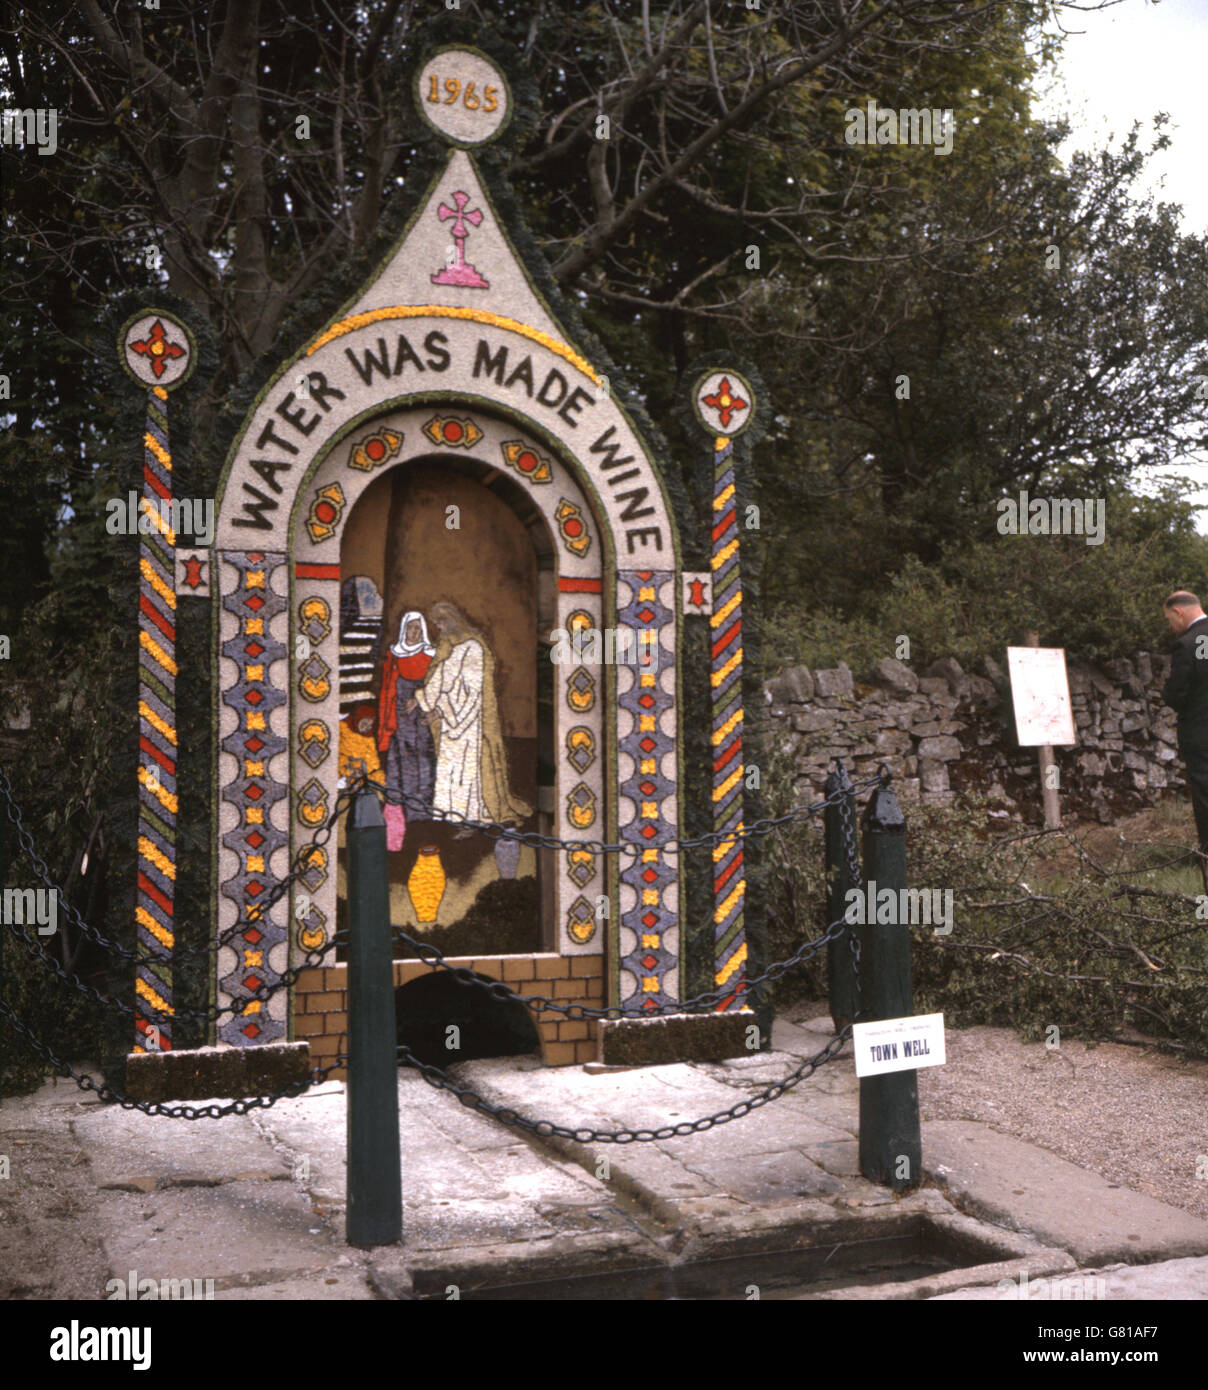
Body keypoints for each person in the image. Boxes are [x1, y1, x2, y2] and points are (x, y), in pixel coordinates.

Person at [415, 600, 531, 835]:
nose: (439, 627)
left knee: (468, 771)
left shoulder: (473, 647)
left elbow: (471, 689)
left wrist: (443, 709)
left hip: (468, 720)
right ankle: (454, 816)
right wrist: (434, 706)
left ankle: (473, 820)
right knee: (451, 768)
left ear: (453, 620)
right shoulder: (452, 647)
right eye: (436, 623)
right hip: (452, 719)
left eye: (441, 621)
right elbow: (442, 676)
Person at [1160, 591, 1208, 878]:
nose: (1170, 626)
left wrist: (1167, 693)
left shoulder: (1186, 645)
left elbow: (1176, 694)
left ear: (1178, 612)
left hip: (1201, 733)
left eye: (1169, 620)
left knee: (1204, 792)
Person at [377, 610, 437, 823]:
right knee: (398, 757)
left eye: (418, 629)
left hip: (421, 717)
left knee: (421, 757)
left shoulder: (430, 654)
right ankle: (395, 807)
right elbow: (388, 685)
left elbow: (436, 686)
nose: (414, 632)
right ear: (404, 629)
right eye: (411, 628)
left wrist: (420, 702)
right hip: (398, 715)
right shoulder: (395, 653)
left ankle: (420, 809)